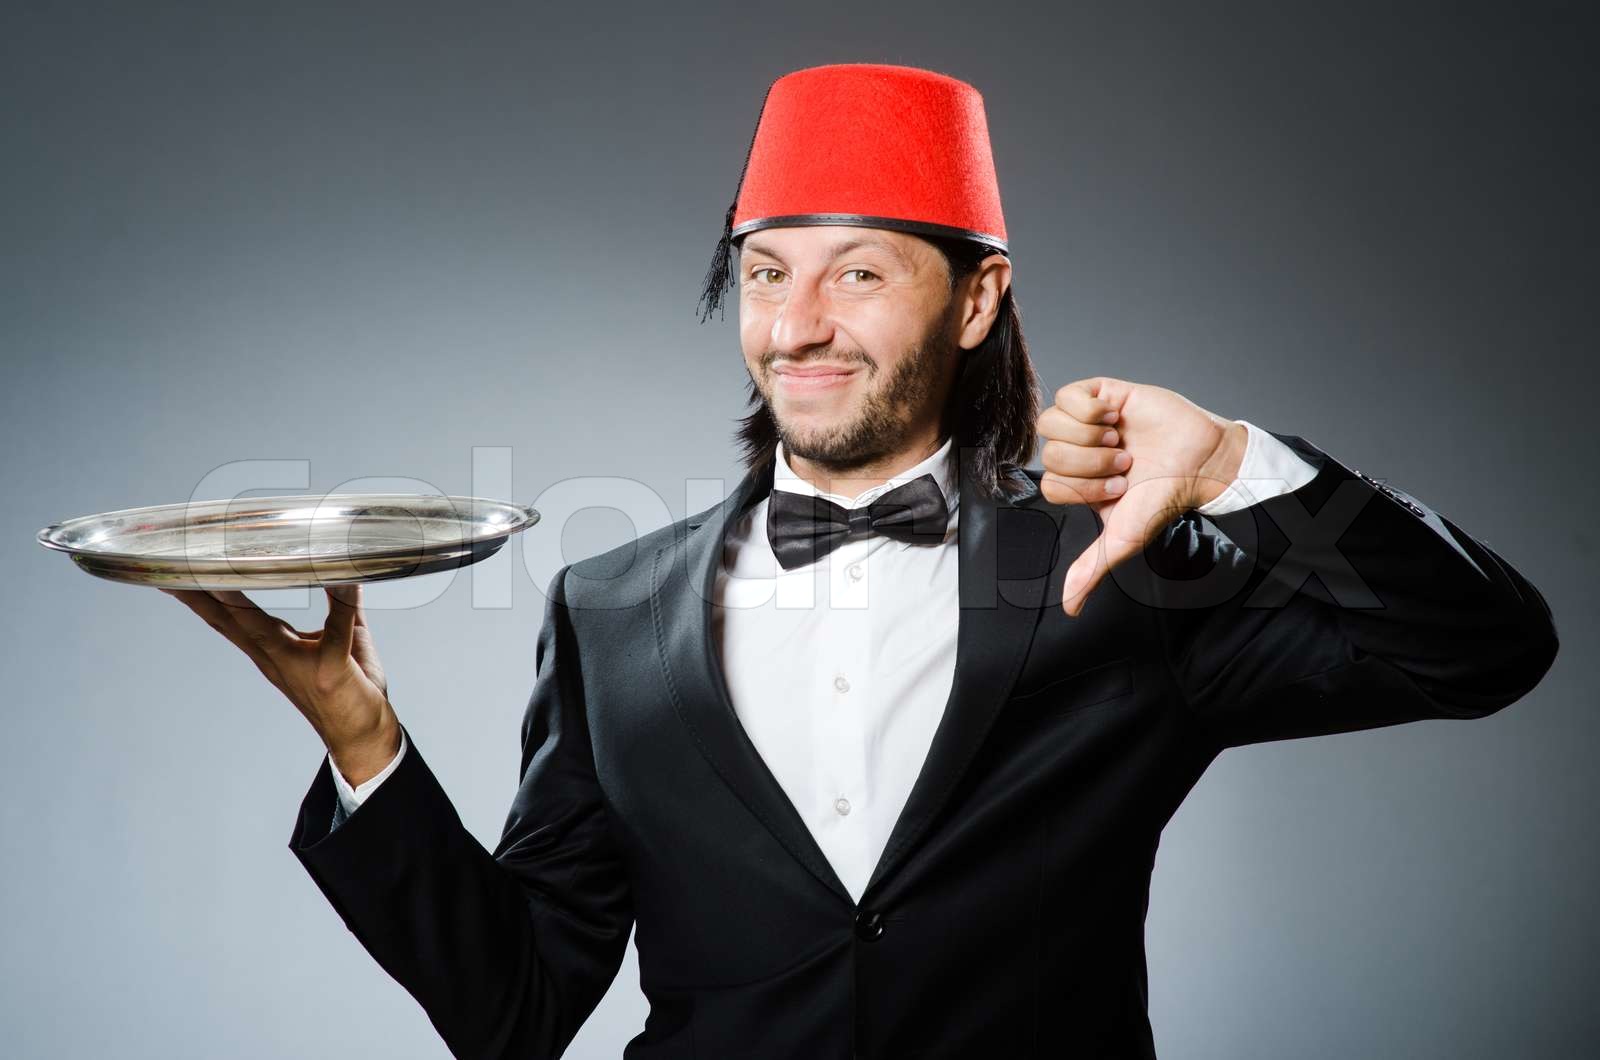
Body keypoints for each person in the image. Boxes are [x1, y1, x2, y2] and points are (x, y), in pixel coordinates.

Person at [167, 63, 1558, 1059]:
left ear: (977, 300)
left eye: (859, 273)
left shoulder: (1125, 571)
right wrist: (362, 740)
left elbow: (1483, 647)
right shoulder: (609, 609)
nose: (800, 326)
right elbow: (515, 1010)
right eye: (768, 274)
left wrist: (1241, 465)